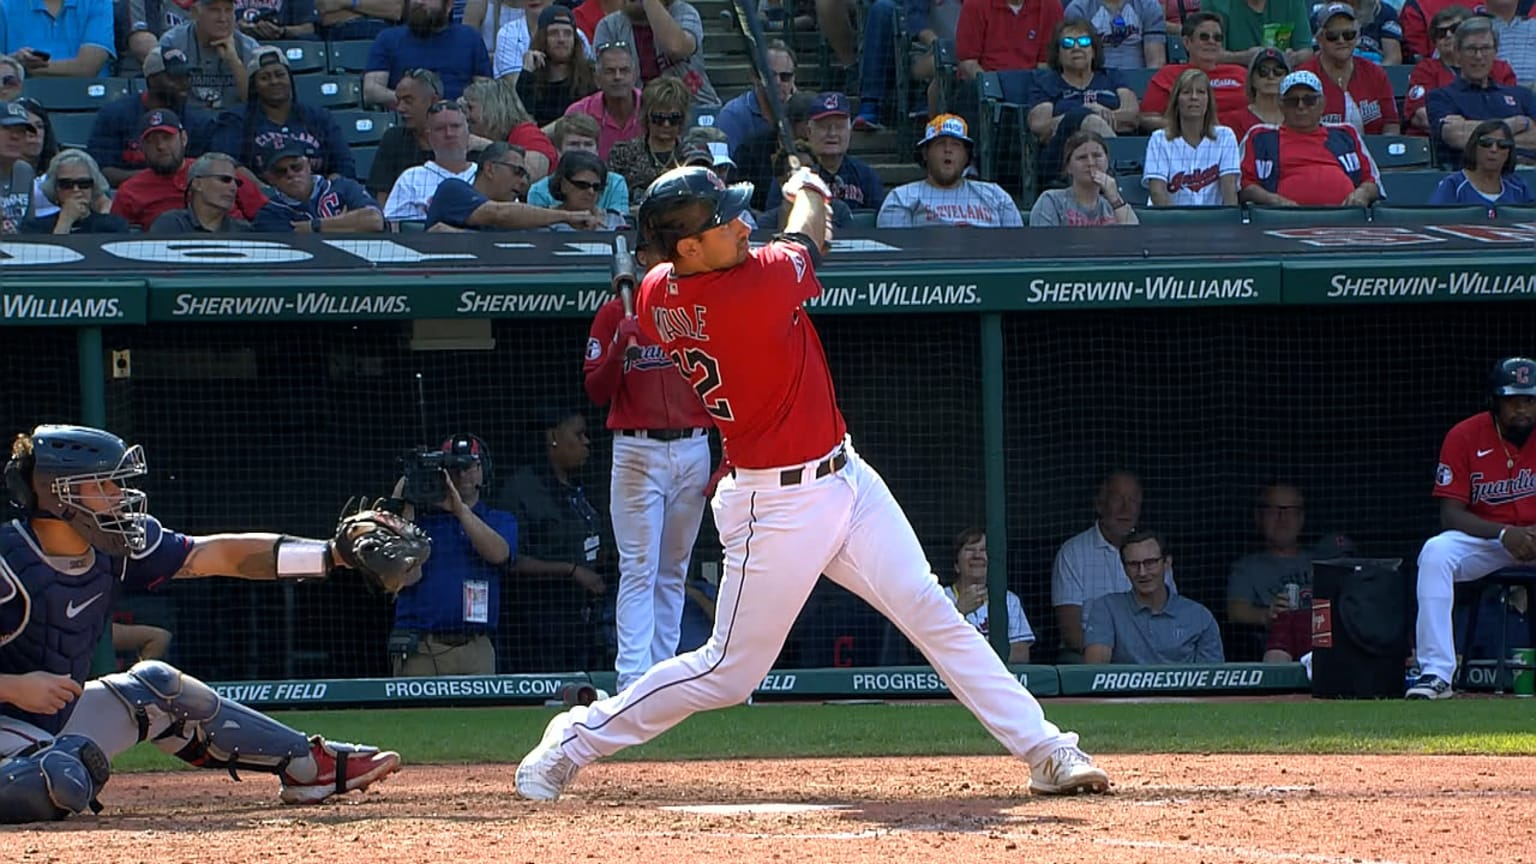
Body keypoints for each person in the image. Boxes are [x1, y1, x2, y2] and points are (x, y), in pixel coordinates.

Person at [512, 165, 1111, 802]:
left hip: (846, 476)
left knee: (933, 611)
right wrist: (809, 188)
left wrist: (775, 212)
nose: (743, 225)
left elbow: (748, 252)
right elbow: (808, 237)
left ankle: (1045, 748)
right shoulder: (752, 289)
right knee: (728, 673)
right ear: (688, 247)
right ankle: (572, 738)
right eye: (725, 222)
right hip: (775, 504)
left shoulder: (661, 294)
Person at [0, 424, 401, 824]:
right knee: (61, 775)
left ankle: (310, 767)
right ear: (60, 493)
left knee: (157, 687)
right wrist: (15, 687)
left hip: (51, 726)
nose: (120, 496)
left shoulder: (114, 548)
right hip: (10, 730)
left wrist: (331, 555)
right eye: (104, 485)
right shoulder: (8, 561)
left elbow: (217, 554)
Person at [582, 232, 714, 691]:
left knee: (674, 569)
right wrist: (621, 344)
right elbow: (596, 390)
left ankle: (663, 680)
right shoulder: (616, 311)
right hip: (637, 449)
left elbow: (726, 384)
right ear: (642, 260)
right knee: (639, 567)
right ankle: (633, 681)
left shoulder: (695, 309)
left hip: (695, 445)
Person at [1409, 358, 1536, 700]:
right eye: (1512, 401)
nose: (1522, 409)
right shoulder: (1464, 435)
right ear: (1494, 401)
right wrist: (1503, 534)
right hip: (1490, 540)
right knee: (1436, 553)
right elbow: (1451, 515)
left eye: (1529, 400)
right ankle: (1436, 673)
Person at [387, 434, 517, 676]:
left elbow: (499, 554)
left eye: (468, 466)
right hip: (422, 648)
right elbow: (406, 576)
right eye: (454, 468)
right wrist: (402, 500)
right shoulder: (420, 523)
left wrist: (459, 509)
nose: (461, 475)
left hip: (476, 647)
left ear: (481, 469)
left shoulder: (498, 519)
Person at [497, 409, 611, 672]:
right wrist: (571, 570)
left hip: (581, 622)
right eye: (579, 434)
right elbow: (510, 560)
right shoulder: (522, 490)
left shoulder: (578, 487)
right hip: (536, 626)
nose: (586, 442)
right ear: (553, 437)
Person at [1051, 471, 1175, 662]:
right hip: (1088, 655)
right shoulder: (1073, 552)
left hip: (1150, 656)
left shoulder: (1155, 553)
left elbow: (1172, 614)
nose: (1126, 509)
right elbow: (1071, 632)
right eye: (1118, 499)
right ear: (1100, 505)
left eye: (1133, 500)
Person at [1238, 70, 1381, 207]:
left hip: (1345, 217)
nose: (1301, 106)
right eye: (1292, 101)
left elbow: (1373, 182)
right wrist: (1273, 200)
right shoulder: (1260, 136)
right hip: (1282, 219)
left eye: (1309, 100)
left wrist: (1362, 193)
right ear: (1281, 105)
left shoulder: (1345, 133)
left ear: (1323, 103)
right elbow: (1242, 185)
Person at [211, 45, 354, 179]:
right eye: (265, 78)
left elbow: (344, 165)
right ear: (254, 86)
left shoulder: (319, 117)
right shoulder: (235, 119)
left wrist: (324, 193)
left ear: (290, 79)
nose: (274, 81)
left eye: (279, 74)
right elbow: (227, 164)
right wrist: (264, 193)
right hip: (261, 200)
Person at [1028, 21, 1142, 189]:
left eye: (1083, 42)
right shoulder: (1046, 82)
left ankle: (1115, 175)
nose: (1076, 48)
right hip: (1061, 159)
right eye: (1067, 43)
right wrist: (1087, 113)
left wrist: (1099, 117)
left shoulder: (1112, 77)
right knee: (1086, 118)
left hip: (1106, 142)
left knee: (1090, 120)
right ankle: (1121, 176)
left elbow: (1132, 115)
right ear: (1058, 53)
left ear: (1094, 50)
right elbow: (1040, 126)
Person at [1083, 530, 1225, 664]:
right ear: (1124, 568)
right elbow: (1095, 672)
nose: (1142, 572)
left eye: (1150, 563)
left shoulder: (1199, 616)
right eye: (1133, 564)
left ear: (1167, 563)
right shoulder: (1106, 608)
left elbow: (1212, 680)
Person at [112, 109, 268, 229]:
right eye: (151, 141)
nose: (160, 146)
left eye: (167, 138)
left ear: (184, 138)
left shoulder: (216, 170)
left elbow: (265, 213)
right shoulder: (130, 191)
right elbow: (115, 238)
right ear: (142, 148)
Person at [89, 46, 216, 186]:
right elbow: (101, 171)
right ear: (152, 80)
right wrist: (153, 178)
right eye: (175, 77)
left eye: (187, 76)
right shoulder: (115, 114)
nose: (184, 83)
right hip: (131, 195)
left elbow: (208, 172)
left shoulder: (199, 121)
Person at [877, 113, 1022, 227]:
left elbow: (1018, 249)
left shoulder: (996, 196)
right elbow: (897, 256)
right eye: (940, 144)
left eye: (956, 145)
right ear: (925, 153)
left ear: (967, 156)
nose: (948, 150)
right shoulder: (902, 198)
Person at [1427, 18, 1536, 166]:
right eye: (1471, 49)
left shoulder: (1521, 95)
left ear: (1495, 52)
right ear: (1458, 53)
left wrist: (1477, 134)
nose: (1478, 56)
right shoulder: (1441, 97)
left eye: (1485, 48)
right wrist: (1517, 123)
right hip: (1467, 178)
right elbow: (1456, 136)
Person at [425, 141, 603, 229]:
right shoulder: (453, 189)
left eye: (526, 175)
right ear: (490, 169)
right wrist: (569, 216)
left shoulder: (518, 216)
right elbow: (498, 214)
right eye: (517, 172)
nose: (524, 181)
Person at [1404, 7, 1517, 138]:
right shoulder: (1426, 69)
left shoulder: (1500, 68)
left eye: (1454, 29)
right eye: (1441, 33)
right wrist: (1493, 127)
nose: (1448, 35)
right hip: (1439, 146)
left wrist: (1464, 125)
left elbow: (1513, 112)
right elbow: (1423, 117)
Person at [765, 92, 885, 213]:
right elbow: (772, 223)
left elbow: (880, 227)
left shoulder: (866, 176)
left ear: (849, 132)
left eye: (839, 127)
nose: (832, 134)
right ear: (809, 132)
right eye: (824, 127)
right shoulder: (791, 174)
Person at [592, 0, 720, 109]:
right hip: (635, 115)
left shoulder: (683, 12)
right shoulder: (608, 25)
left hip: (694, 107)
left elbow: (676, 47)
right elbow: (604, 79)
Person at [363, 0, 492, 105]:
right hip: (406, 122)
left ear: (448, 6)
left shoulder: (470, 38)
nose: (419, 2)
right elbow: (371, 90)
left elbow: (486, 91)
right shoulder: (388, 39)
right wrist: (411, 101)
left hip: (459, 122)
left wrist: (459, 105)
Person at [1297, 3, 1399, 135]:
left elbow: (1391, 122)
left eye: (1348, 34)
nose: (1341, 41)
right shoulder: (1305, 78)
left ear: (1357, 36)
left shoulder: (1374, 72)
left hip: (1374, 152)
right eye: (1332, 36)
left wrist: (1385, 148)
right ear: (1319, 40)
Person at [1143, 67, 1240, 205]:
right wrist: (1181, 225)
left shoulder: (1225, 137)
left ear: (1208, 101)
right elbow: (1157, 193)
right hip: (1170, 222)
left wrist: (1226, 224)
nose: (1194, 97)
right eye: (1187, 92)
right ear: (1177, 101)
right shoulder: (1159, 139)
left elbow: (1229, 191)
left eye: (1200, 92)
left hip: (1214, 223)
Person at [1139, 12, 1251, 131]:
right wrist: (1191, 128)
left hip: (1241, 141)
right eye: (1204, 37)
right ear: (1187, 42)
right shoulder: (1168, 75)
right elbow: (1147, 118)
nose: (1212, 42)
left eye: (1217, 38)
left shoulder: (1240, 73)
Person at [251, 139, 386, 233]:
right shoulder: (269, 214)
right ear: (271, 179)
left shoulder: (344, 187)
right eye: (281, 171)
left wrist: (314, 227)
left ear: (309, 165)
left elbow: (374, 221)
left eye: (296, 167)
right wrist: (346, 223)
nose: (290, 174)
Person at [946, 528, 1034, 663]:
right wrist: (959, 611)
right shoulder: (939, 597)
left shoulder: (1009, 600)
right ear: (956, 565)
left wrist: (972, 655)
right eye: (969, 549)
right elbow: (926, 644)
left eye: (984, 550)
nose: (977, 555)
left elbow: (1021, 653)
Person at [383, 98, 478, 221]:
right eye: (440, 128)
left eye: (455, 126)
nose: (449, 133)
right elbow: (393, 226)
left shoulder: (485, 176)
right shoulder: (411, 178)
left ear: (467, 131)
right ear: (429, 136)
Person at [159, 0, 260, 109]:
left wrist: (235, 62)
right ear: (195, 13)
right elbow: (162, 96)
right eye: (214, 10)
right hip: (186, 120)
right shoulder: (172, 42)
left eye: (228, 10)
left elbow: (256, 104)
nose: (223, 18)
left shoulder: (249, 47)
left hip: (235, 121)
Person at [606, 76, 690, 205]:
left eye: (674, 118)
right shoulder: (622, 153)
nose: (666, 124)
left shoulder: (692, 155)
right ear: (646, 116)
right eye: (659, 118)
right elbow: (611, 200)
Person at [1029, 129, 1140, 225]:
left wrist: (1115, 199)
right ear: (1068, 167)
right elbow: (1042, 245)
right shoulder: (1051, 201)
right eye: (1082, 158)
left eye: (1097, 156)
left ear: (1107, 161)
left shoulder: (1113, 207)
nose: (1091, 163)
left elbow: (1135, 240)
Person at [526, 113, 632, 211]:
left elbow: (620, 225)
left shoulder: (616, 183)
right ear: (558, 151)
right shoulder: (538, 190)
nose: (582, 150)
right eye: (574, 144)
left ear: (597, 149)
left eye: (588, 144)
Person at [368, 67, 441, 202]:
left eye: (408, 101)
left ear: (433, 101)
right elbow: (382, 198)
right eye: (398, 101)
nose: (400, 108)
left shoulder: (453, 138)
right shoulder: (393, 140)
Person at [515, 5, 597, 125]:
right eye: (554, 33)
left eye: (567, 33)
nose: (561, 39)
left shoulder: (590, 77)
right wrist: (527, 73)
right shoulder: (531, 79)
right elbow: (521, 122)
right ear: (543, 38)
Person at [462, 78, 557, 179]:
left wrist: (487, 146)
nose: (465, 115)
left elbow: (532, 174)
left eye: (470, 107)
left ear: (491, 109)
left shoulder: (527, 133)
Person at [714, 39, 797, 154]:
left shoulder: (802, 112)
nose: (777, 82)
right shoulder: (733, 115)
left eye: (785, 76)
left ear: (793, 79)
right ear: (754, 77)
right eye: (770, 75)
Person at [1429, 119, 1534, 206]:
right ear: (1474, 147)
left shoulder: (1519, 187)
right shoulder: (1453, 185)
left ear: (1509, 152)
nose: (1494, 149)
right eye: (1486, 143)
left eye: (1503, 144)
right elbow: (1434, 221)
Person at [22, 149, 129, 234]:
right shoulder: (34, 228)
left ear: (94, 187)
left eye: (84, 184)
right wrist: (65, 222)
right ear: (55, 188)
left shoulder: (114, 226)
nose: (76, 190)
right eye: (67, 184)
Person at [0, 0, 115, 78]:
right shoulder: (5, 5)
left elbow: (87, 68)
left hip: (90, 101)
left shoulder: (96, 2)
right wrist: (14, 60)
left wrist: (19, 68)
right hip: (19, 105)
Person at [955, 0, 1066, 78]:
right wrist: (991, 88)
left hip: (1032, 89)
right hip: (983, 90)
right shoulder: (975, 4)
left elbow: (1046, 63)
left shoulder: (1050, 5)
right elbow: (968, 63)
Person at [149, 151, 254, 232]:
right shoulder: (170, 225)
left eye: (237, 182)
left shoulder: (243, 231)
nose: (233, 187)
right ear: (197, 184)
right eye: (225, 179)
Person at [1062, 0, 1169, 69]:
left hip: (1139, 80)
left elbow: (1156, 63)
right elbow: (1076, 63)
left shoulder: (1149, 6)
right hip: (1096, 82)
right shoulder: (1078, 9)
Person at [1203, 0, 1313, 64]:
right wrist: (1244, 57)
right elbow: (1209, 54)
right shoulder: (1216, 3)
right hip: (1236, 81)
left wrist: (1294, 57)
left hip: (1283, 77)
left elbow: (1307, 51)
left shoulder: (1292, 2)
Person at [545, 149, 624, 229]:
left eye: (596, 187)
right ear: (564, 185)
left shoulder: (614, 220)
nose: (591, 191)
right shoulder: (544, 220)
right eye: (582, 185)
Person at [1231, 46, 1290, 139]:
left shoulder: (1296, 118)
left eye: (1278, 71)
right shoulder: (1234, 121)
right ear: (1252, 79)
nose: (1271, 76)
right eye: (1263, 71)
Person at [0, 101, 35, 233]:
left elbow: (29, 227)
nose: (15, 136)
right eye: (6, 128)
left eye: (21, 131)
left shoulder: (24, 172)